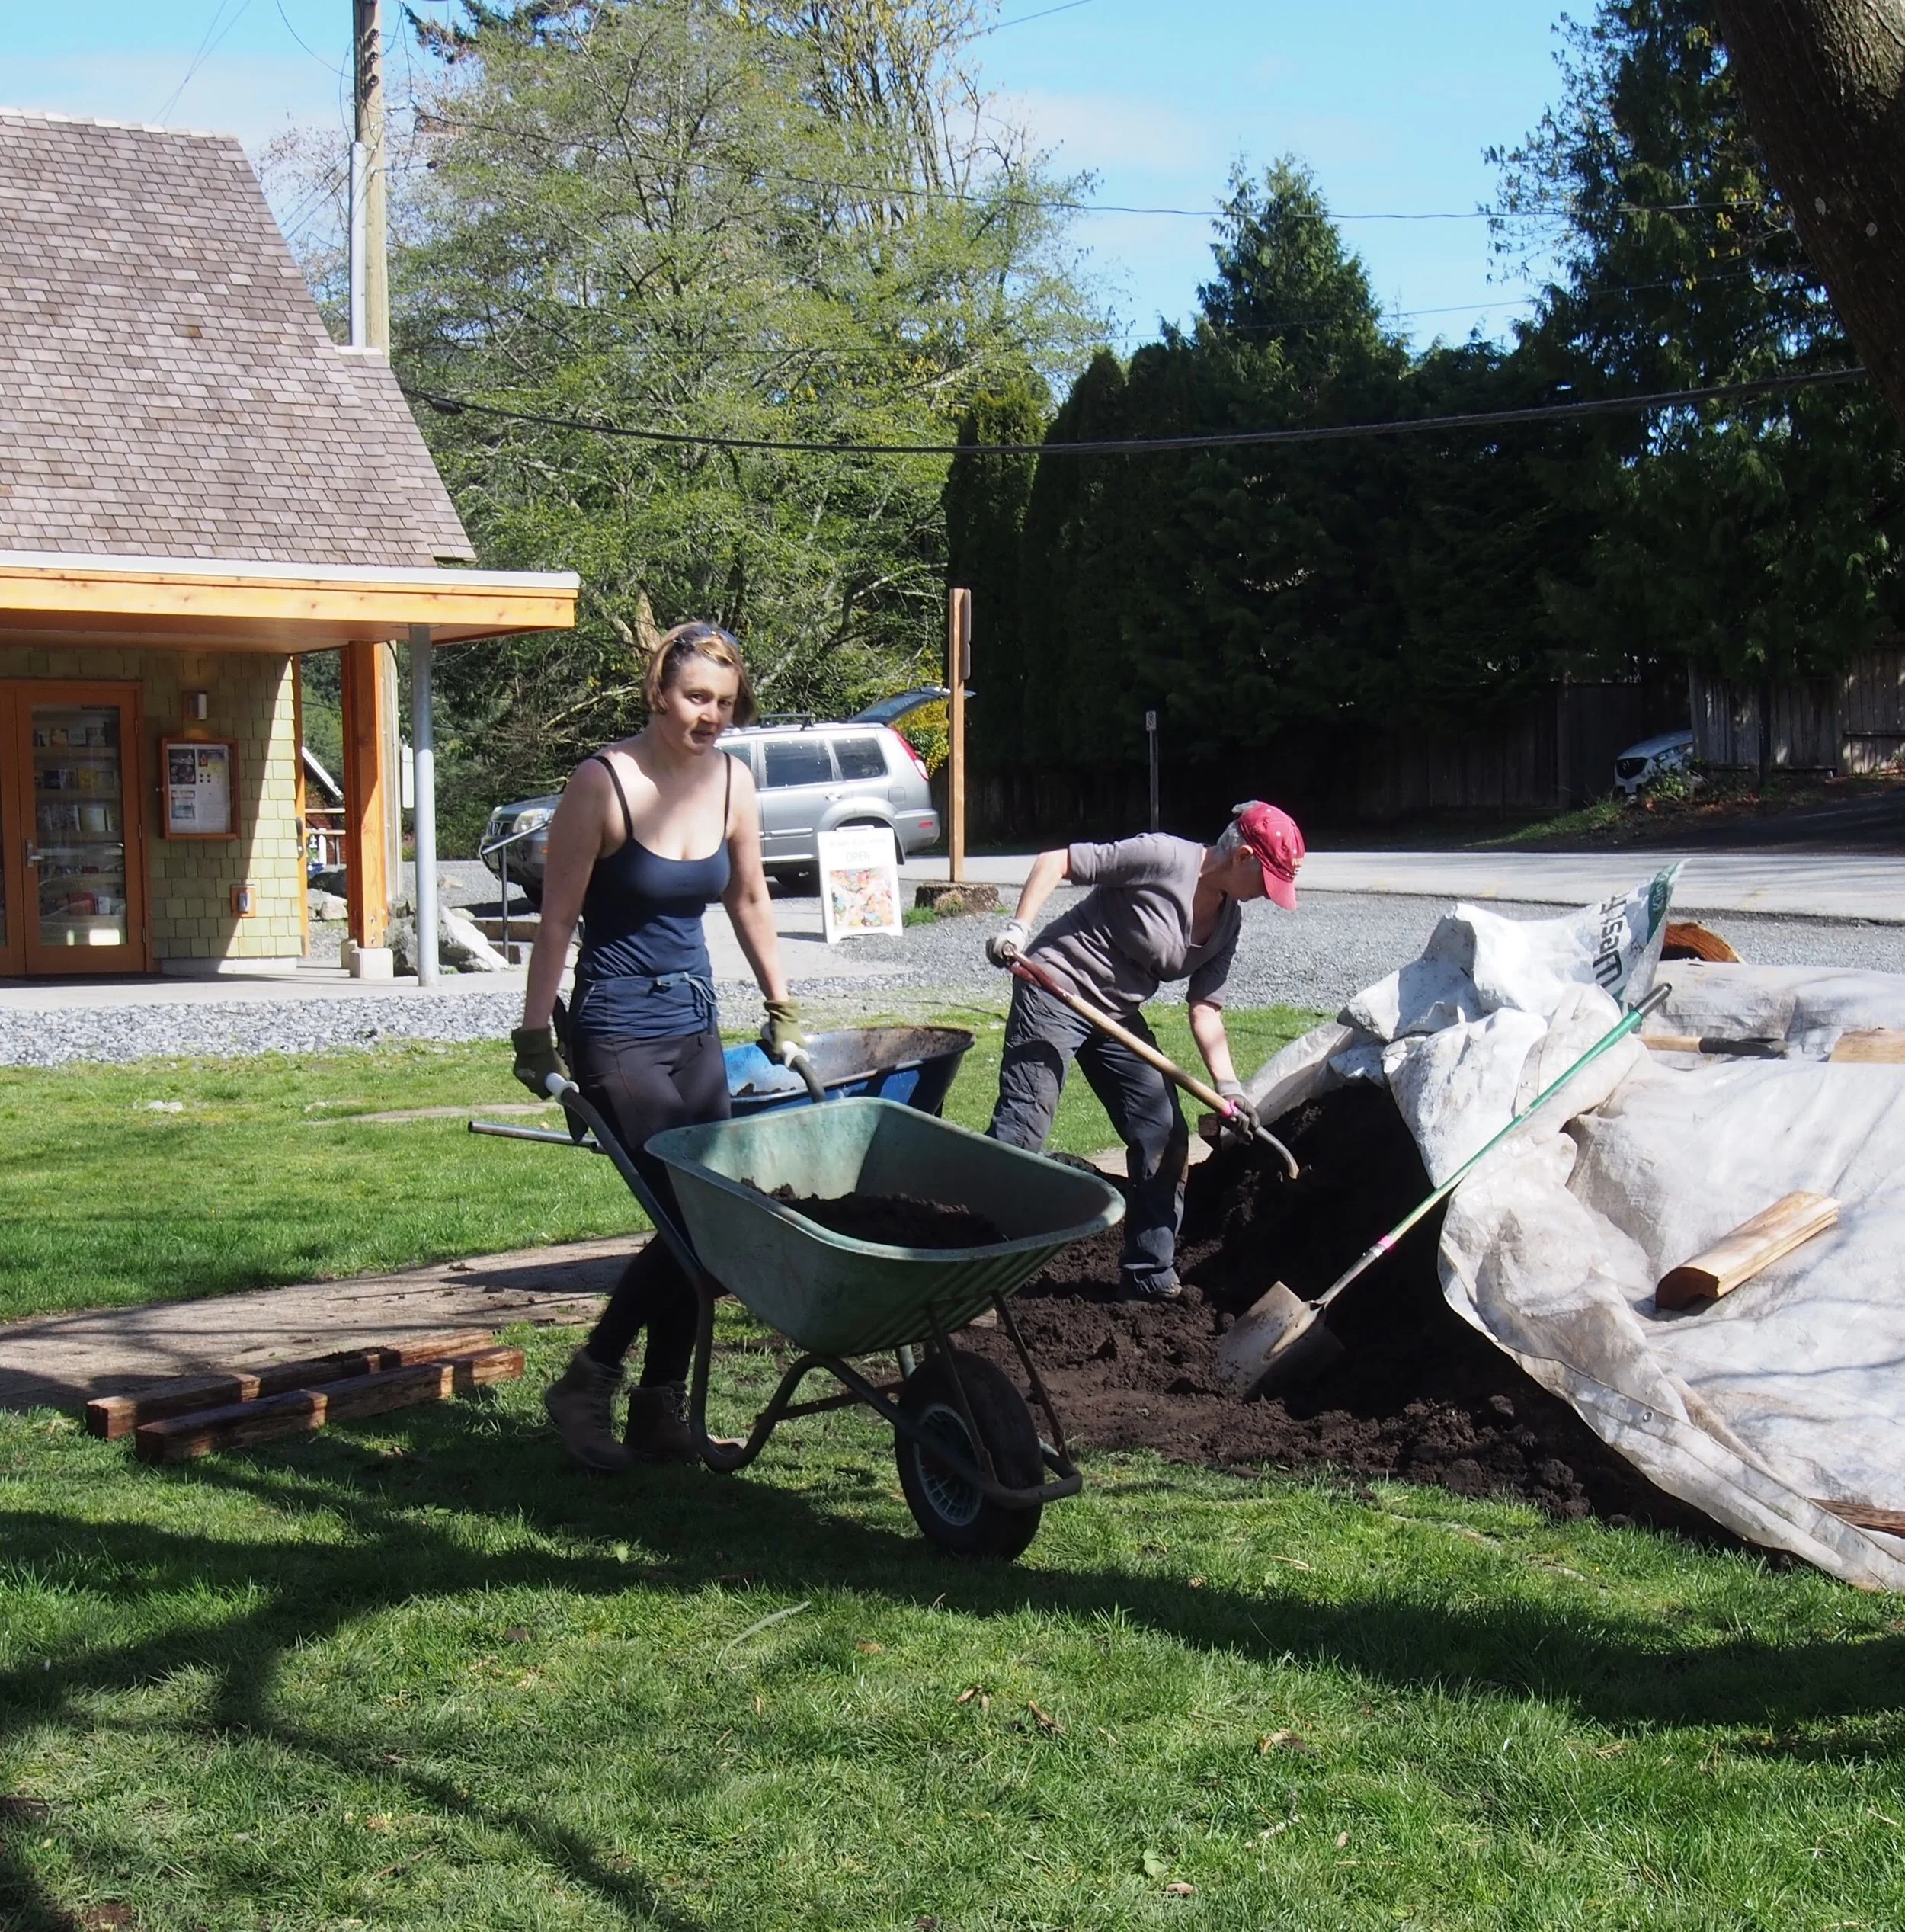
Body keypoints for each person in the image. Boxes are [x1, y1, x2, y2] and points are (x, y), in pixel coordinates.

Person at [510, 621, 807, 1473]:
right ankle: (589, 1380)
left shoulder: (730, 784)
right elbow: (559, 919)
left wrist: (781, 1003)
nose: (708, 715)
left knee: (710, 1216)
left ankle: (657, 1407)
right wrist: (536, 1035)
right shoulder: (604, 782)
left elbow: (749, 898)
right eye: (693, 697)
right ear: (659, 693)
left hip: (693, 1025)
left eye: (723, 701)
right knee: (686, 1212)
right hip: (616, 1029)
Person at [985, 802, 1305, 1301]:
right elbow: (1057, 860)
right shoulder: (1162, 856)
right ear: (1243, 856)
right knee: (1025, 1122)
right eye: (1267, 882)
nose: (1266, 895)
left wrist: (1229, 1086)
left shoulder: (1227, 924)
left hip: (1114, 1014)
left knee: (1166, 1133)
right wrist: (1018, 929)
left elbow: (1205, 1008)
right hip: (1055, 985)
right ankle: (975, 1265)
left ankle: (1148, 1271)